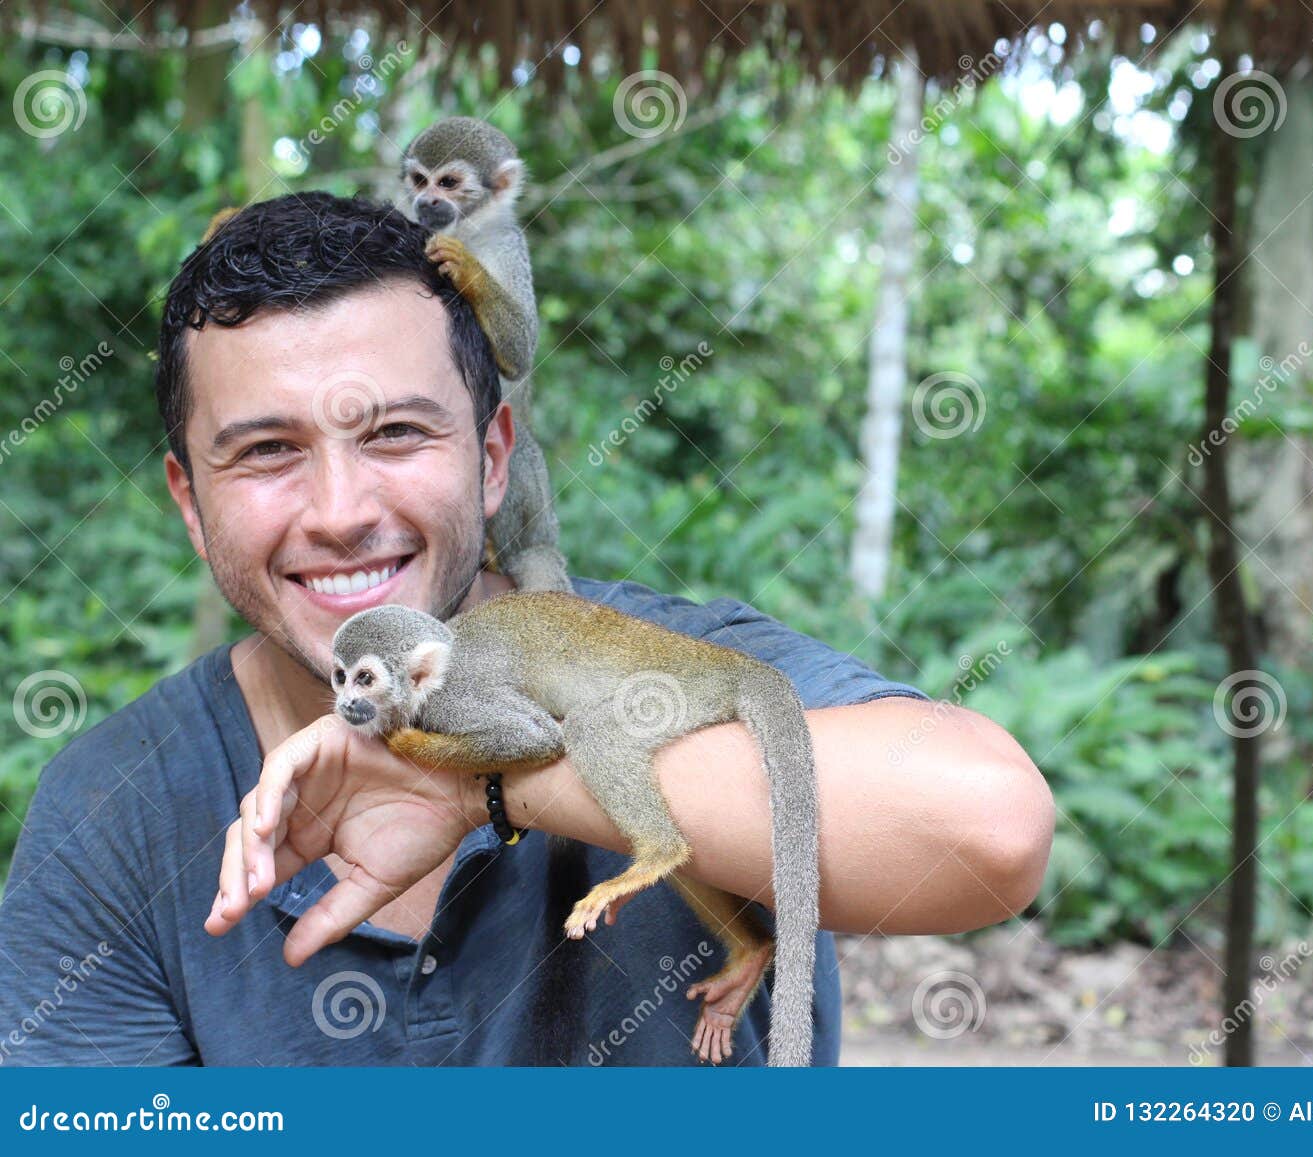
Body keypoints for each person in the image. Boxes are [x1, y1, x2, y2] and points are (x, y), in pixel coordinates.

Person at [0, 193, 1053, 1066]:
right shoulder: (115, 812)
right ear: (190, 500)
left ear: (494, 457)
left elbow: (988, 829)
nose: (338, 509)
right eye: (268, 450)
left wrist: (484, 778)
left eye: (397, 432)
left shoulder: (647, 656)